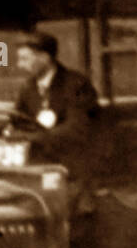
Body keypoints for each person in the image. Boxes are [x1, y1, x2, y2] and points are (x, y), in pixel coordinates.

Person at [12, 31, 100, 187]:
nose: (20, 65)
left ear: (45, 58)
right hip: (40, 164)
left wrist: (32, 138)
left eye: (25, 59)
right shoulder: (27, 88)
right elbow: (19, 122)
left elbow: (77, 129)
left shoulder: (76, 84)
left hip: (74, 166)